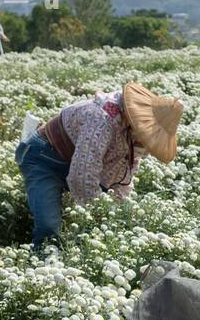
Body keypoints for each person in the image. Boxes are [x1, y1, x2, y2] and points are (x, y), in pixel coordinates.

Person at [15, 83, 183, 250]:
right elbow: (82, 174)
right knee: (49, 227)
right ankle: (43, 259)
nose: (147, 140)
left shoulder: (133, 131)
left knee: (102, 210)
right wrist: (98, 214)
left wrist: (117, 208)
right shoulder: (102, 119)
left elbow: (125, 170)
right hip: (44, 158)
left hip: (78, 160)